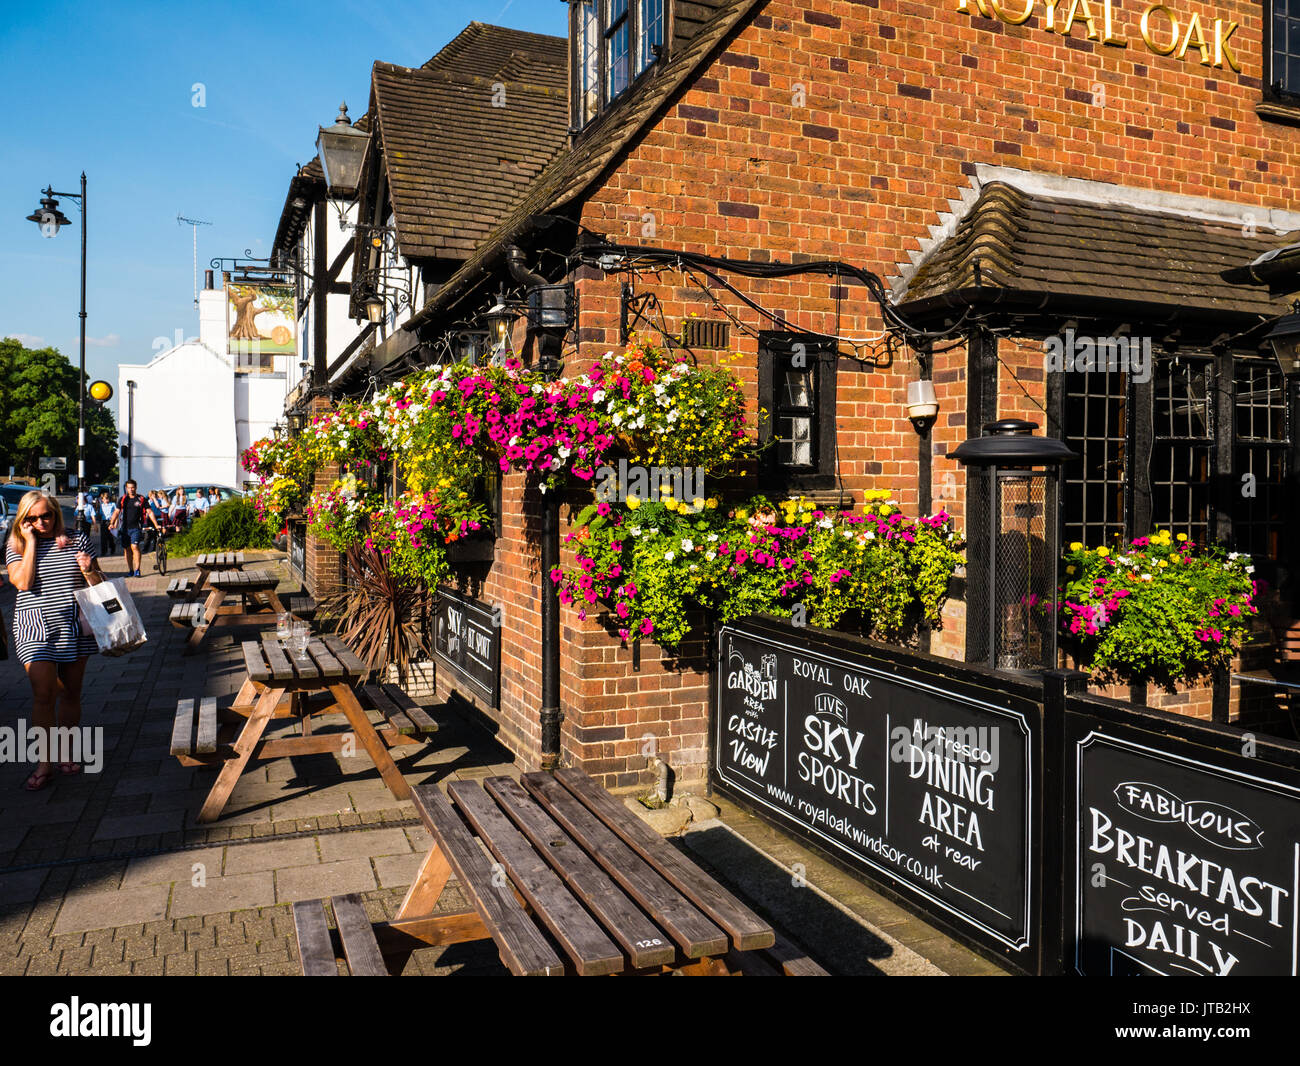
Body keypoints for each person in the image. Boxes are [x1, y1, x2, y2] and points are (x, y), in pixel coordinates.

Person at [5, 490, 105, 790]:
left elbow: (99, 583)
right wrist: (32, 543)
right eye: (32, 518)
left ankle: (65, 752)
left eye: (45, 516)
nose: (40, 522)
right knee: (43, 694)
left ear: (56, 513)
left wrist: (88, 570)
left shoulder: (77, 539)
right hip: (34, 627)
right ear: (23, 520)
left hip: (72, 625)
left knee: (70, 693)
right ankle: (44, 762)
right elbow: (22, 582)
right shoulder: (16, 544)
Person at [110, 480, 160, 578]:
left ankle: (137, 569)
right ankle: (131, 570)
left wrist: (156, 524)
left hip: (136, 528)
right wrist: (112, 523)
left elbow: (150, 512)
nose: (131, 489)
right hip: (124, 529)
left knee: (135, 547)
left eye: (132, 487)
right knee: (127, 549)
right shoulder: (123, 499)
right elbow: (116, 512)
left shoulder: (141, 499)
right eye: (129, 487)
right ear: (126, 488)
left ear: (136, 487)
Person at [95, 492, 117, 557]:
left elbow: (116, 513)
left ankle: (112, 547)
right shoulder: (101, 506)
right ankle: (103, 551)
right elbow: (99, 514)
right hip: (103, 522)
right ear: (102, 499)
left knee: (110, 537)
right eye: (105, 499)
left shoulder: (113, 504)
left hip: (111, 521)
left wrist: (115, 523)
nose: (106, 500)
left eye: (107, 498)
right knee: (103, 538)